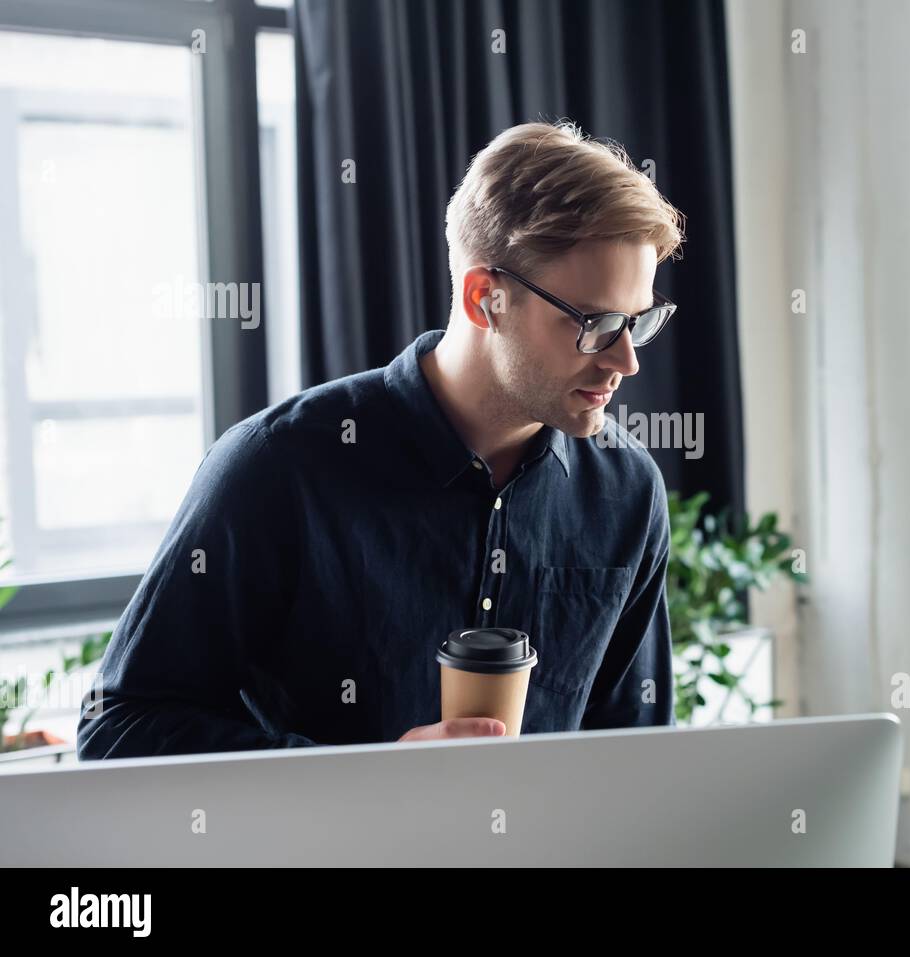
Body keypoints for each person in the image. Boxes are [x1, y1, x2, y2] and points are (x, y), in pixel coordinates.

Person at [77, 120, 685, 758]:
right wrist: (369, 774)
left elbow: (631, 748)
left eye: (638, 324)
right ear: (486, 299)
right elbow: (119, 728)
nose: (626, 361)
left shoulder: (627, 490)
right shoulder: (277, 468)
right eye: (596, 324)